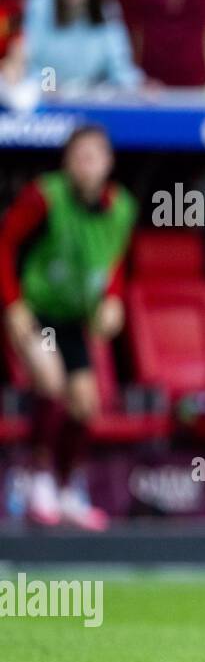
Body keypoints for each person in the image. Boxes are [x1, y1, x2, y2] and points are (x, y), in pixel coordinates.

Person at [0, 125, 135, 530]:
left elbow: (113, 261)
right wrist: (13, 305)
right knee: (49, 377)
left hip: (76, 317)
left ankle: (67, 487)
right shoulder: (45, 196)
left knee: (85, 403)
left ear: (108, 163)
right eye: (78, 156)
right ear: (67, 163)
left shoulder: (122, 207)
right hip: (37, 310)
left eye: (94, 156)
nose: (86, 165)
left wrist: (113, 299)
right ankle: (37, 480)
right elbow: (4, 245)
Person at [23, 0, 142, 91]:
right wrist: (51, 87)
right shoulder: (39, 4)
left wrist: (136, 85)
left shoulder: (106, 8)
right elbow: (30, 59)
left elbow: (118, 64)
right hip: (47, 94)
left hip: (91, 96)